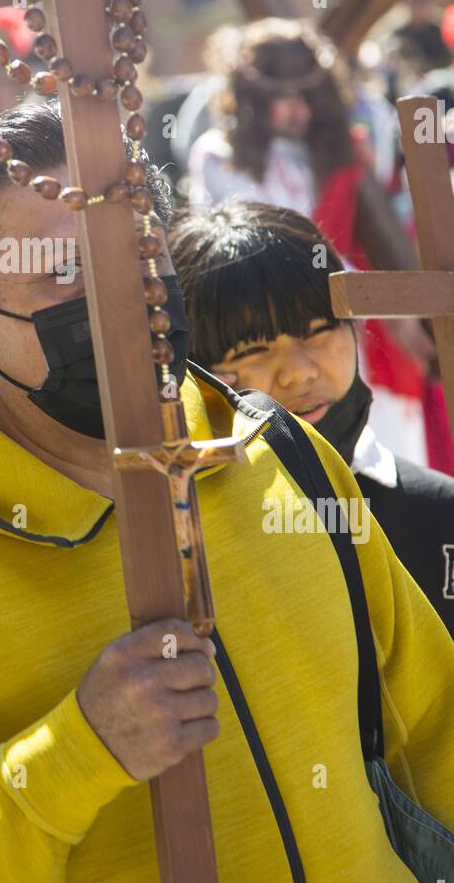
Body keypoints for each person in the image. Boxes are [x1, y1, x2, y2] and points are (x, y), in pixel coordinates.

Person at [0, 99, 454, 883]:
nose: (125, 293)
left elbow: (430, 722)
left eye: (142, 253)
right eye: (63, 270)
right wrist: (76, 752)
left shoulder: (281, 455)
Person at [168, 199, 454, 639]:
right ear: (199, 371)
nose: (299, 370)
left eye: (318, 330)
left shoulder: (438, 512)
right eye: (250, 350)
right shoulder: (182, 537)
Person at [187, 17, 434, 466]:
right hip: (267, 329)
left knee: (378, 456)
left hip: (346, 324)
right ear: (250, 99)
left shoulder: (342, 149)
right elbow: (232, 247)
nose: (294, 108)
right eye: (279, 97)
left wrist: (392, 305)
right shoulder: (219, 155)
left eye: (304, 95)